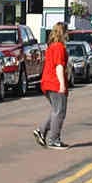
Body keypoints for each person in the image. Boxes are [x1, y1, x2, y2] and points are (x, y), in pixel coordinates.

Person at [34, 22, 69, 150]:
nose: (68, 34)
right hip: (55, 82)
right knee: (60, 111)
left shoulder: (51, 47)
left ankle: (41, 131)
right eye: (67, 32)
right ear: (63, 33)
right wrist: (62, 84)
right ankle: (54, 139)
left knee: (56, 110)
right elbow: (59, 66)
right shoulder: (59, 47)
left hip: (47, 82)